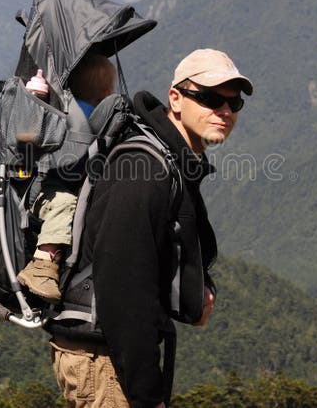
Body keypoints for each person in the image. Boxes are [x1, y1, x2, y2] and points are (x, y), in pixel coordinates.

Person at [46, 48, 253, 407]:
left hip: (111, 357)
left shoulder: (172, 162)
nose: (223, 111)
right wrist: (147, 395)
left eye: (233, 104)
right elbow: (123, 287)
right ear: (176, 98)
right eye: (209, 98)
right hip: (106, 362)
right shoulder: (145, 170)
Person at [17, 52, 117, 304]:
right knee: (66, 205)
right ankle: (42, 267)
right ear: (106, 94)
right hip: (53, 196)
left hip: (45, 191)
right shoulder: (86, 121)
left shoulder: (68, 111)